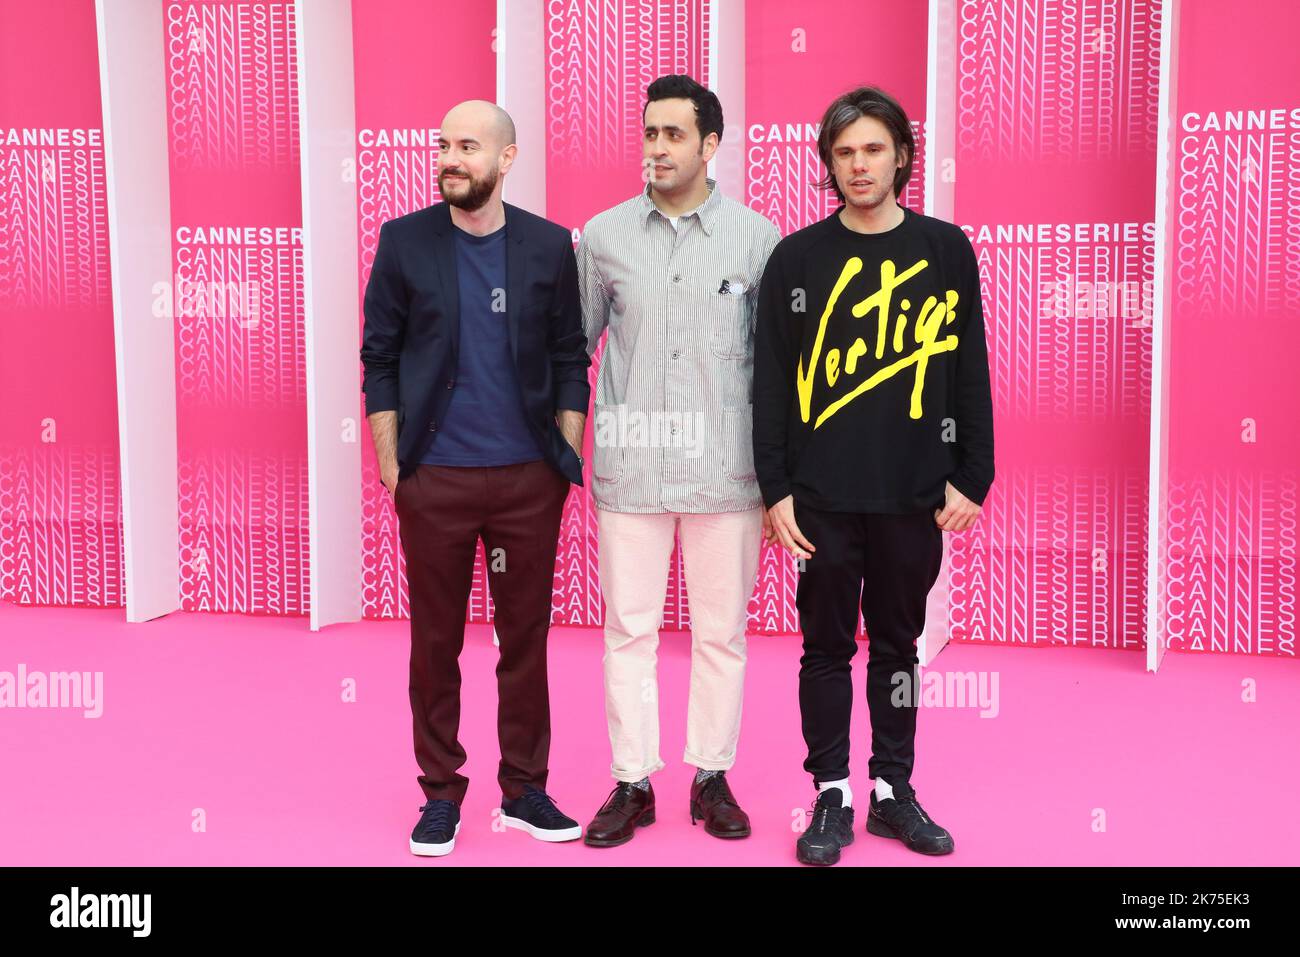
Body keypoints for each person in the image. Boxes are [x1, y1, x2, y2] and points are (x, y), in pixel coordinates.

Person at [752, 86, 995, 866]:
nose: (857, 165)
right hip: (820, 496)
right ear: (828, 163)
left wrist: (974, 472)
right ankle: (831, 793)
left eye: (872, 150)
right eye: (843, 152)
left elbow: (969, 371)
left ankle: (893, 789)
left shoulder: (947, 249)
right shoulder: (796, 258)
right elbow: (772, 384)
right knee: (825, 648)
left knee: (898, 645)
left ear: (901, 158)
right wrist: (775, 485)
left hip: (914, 492)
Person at [360, 99, 591, 857]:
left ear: (506, 158)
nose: (450, 157)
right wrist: (394, 466)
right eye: (443, 144)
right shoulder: (404, 242)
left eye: (467, 145)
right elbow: (380, 357)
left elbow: (568, 356)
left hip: (529, 481)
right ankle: (440, 793)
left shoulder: (550, 246)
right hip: (437, 481)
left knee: (525, 638)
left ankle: (525, 788)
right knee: (435, 642)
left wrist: (561, 453)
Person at [576, 75, 781, 847]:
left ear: (710, 145)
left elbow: (773, 369)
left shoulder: (757, 242)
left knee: (721, 632)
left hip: (726, 473)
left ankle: (711, 776)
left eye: (672, 135)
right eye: (649, 133)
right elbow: (579, 350)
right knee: (627, 628)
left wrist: (776, 480)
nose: (656, 148)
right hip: (630, 469)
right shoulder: (602, 238)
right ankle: (631, 781)